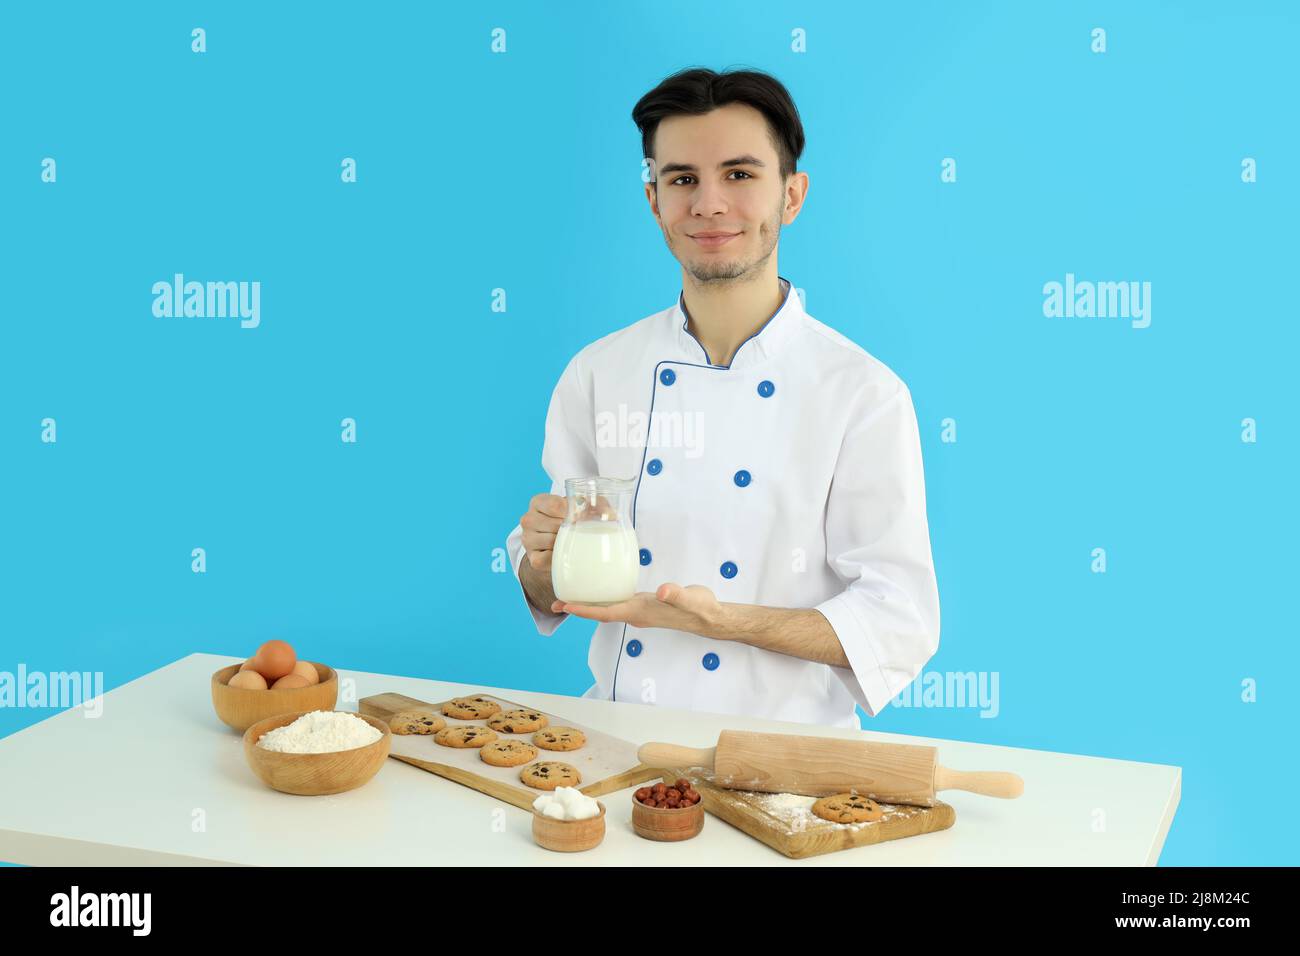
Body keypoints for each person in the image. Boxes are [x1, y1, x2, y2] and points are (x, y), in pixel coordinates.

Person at [505, 67, 939, 729]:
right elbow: (550, 584)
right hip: (615, 743)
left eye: (739, 175)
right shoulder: (598, 374)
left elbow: (898, 617)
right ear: (654, 200)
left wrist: (722, 622)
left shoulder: (863, 394)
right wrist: (541, 560)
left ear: (792, 196)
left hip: (788, 763)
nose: (709, 204)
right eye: (682, 179)